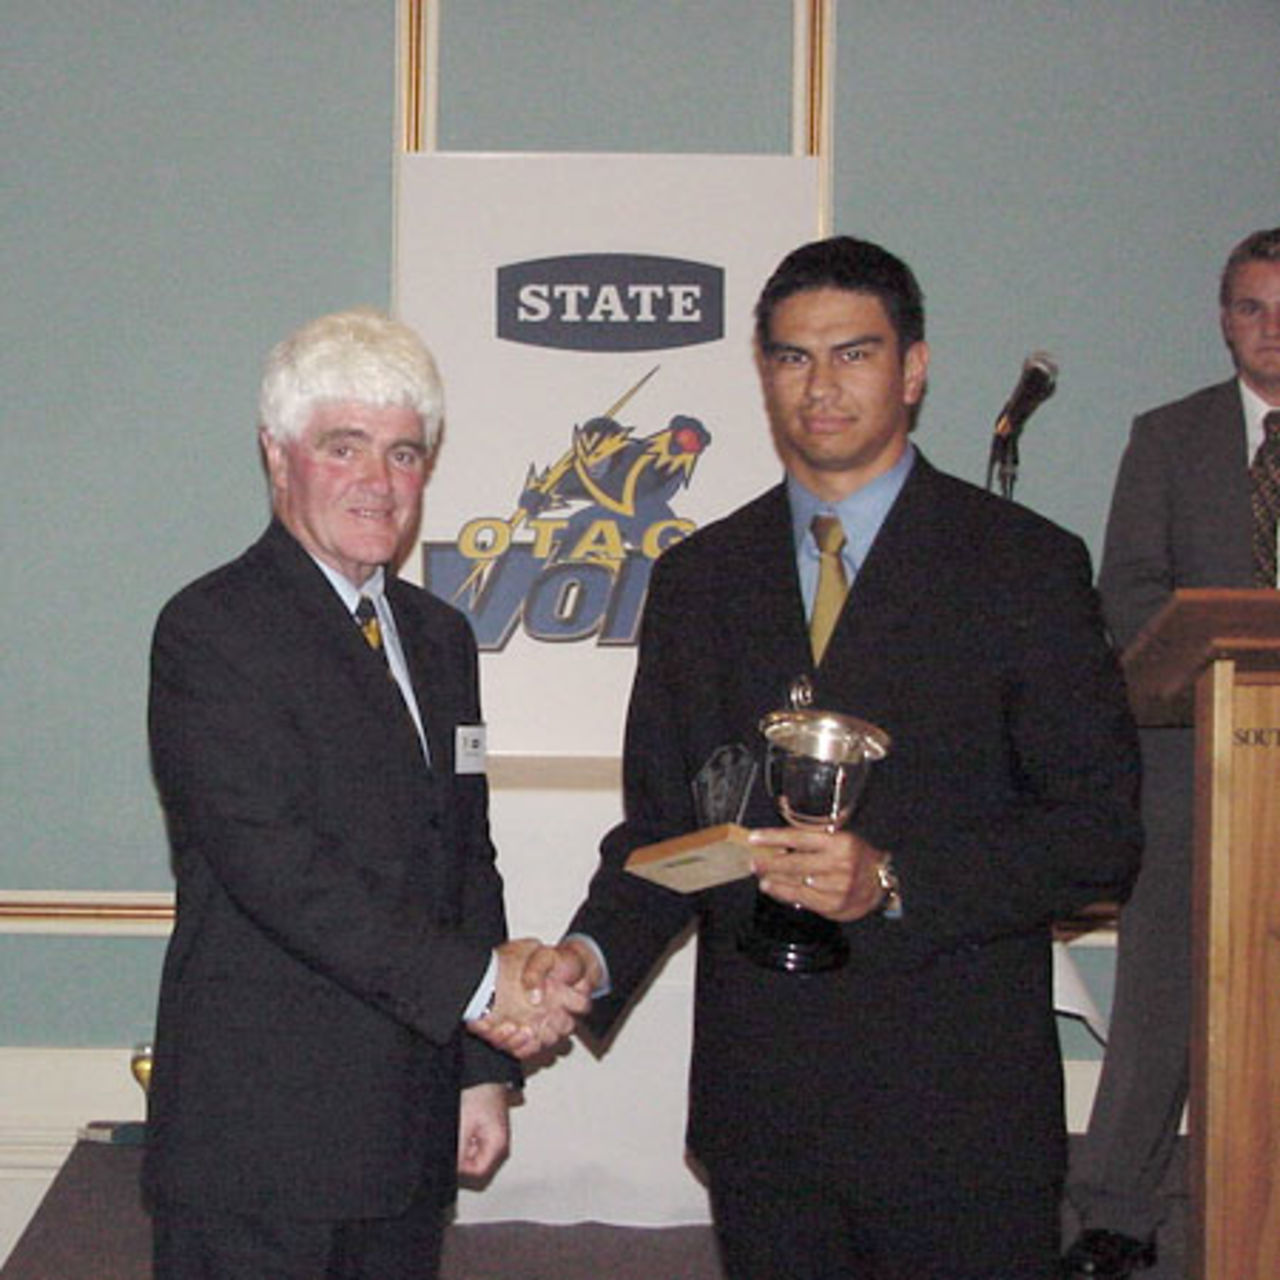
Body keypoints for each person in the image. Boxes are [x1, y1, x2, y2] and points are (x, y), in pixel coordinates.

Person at [518, 237, 1143, 1279]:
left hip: (960, 1119)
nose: (820, 385)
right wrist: (587, 955)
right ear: (761, 371)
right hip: (766, 1113)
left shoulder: (1022, 565)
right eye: (791, 357)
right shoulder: (698, 578)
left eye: (852, 354)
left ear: (913, 368)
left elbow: (1098, 834)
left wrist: (892, 879)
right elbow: (665, 832)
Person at [143, 308, 586, 1279]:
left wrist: (481, 1070)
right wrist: (481, 989)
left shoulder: (437, 638)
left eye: (403, 452)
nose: (379, 483)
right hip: (258, 1151)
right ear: (277, 455)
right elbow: (277, 865)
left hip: (408, 1127)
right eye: (344, 447)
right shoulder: (212, 630)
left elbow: (465, 853)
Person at [1061, 226, 1280, 1280]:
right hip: (1196, 755)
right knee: (1159, 994)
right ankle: (1113, 1210)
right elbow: (1126, 598)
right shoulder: (1168, 436)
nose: (1269, 329)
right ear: (1220, 317)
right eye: (1249, 307)